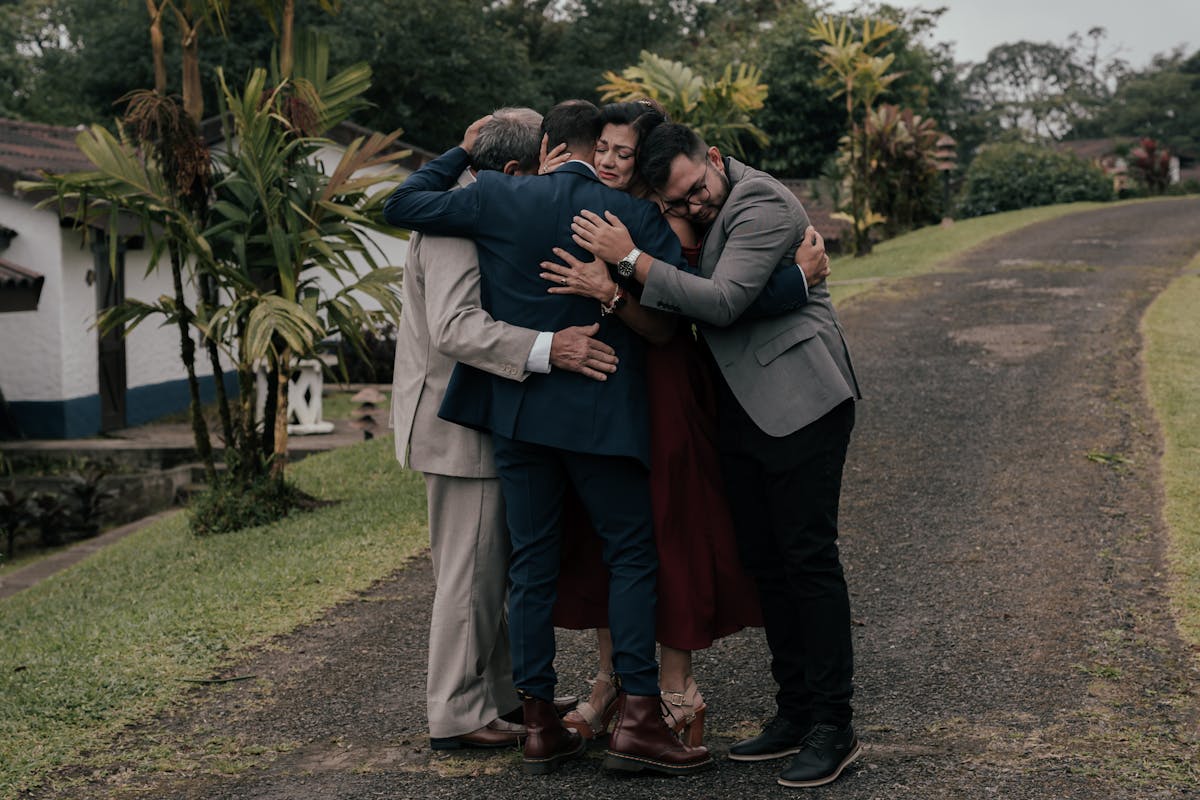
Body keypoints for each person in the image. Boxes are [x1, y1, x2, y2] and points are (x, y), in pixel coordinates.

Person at [383, 101, 712, 776]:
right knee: (631, 555)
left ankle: (537, 723)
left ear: (551, 149)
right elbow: (673, 324)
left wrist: (459, 147)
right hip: (600, 412)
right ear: (598, 150)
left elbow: (402, 203)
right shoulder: (636, 218)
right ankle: (640, 720)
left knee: (528, 566)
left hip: (520, 420)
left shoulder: (501, 196)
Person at [560, 121, 862, 789]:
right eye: (677, 202)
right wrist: (789, 283)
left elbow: (721, 303)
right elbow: (708, 303)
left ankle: (834, 726)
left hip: (800, 400)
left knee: (808, 559)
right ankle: (795, 711)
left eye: (698, 190)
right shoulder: (702, 213)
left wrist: (630, 258)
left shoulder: (760, 203)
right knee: (768, 563)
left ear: (716, 159)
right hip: (743, 410)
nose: (694, 206)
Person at [389, 108, 619, 751]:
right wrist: (553, 346)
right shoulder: (457, 220)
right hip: (454, 418)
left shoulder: (460, 203)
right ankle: (457, 714)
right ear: (516, 168)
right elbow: (456, 328)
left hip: (478, 411)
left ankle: (500, 696)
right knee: (470, 574)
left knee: (492, 570)